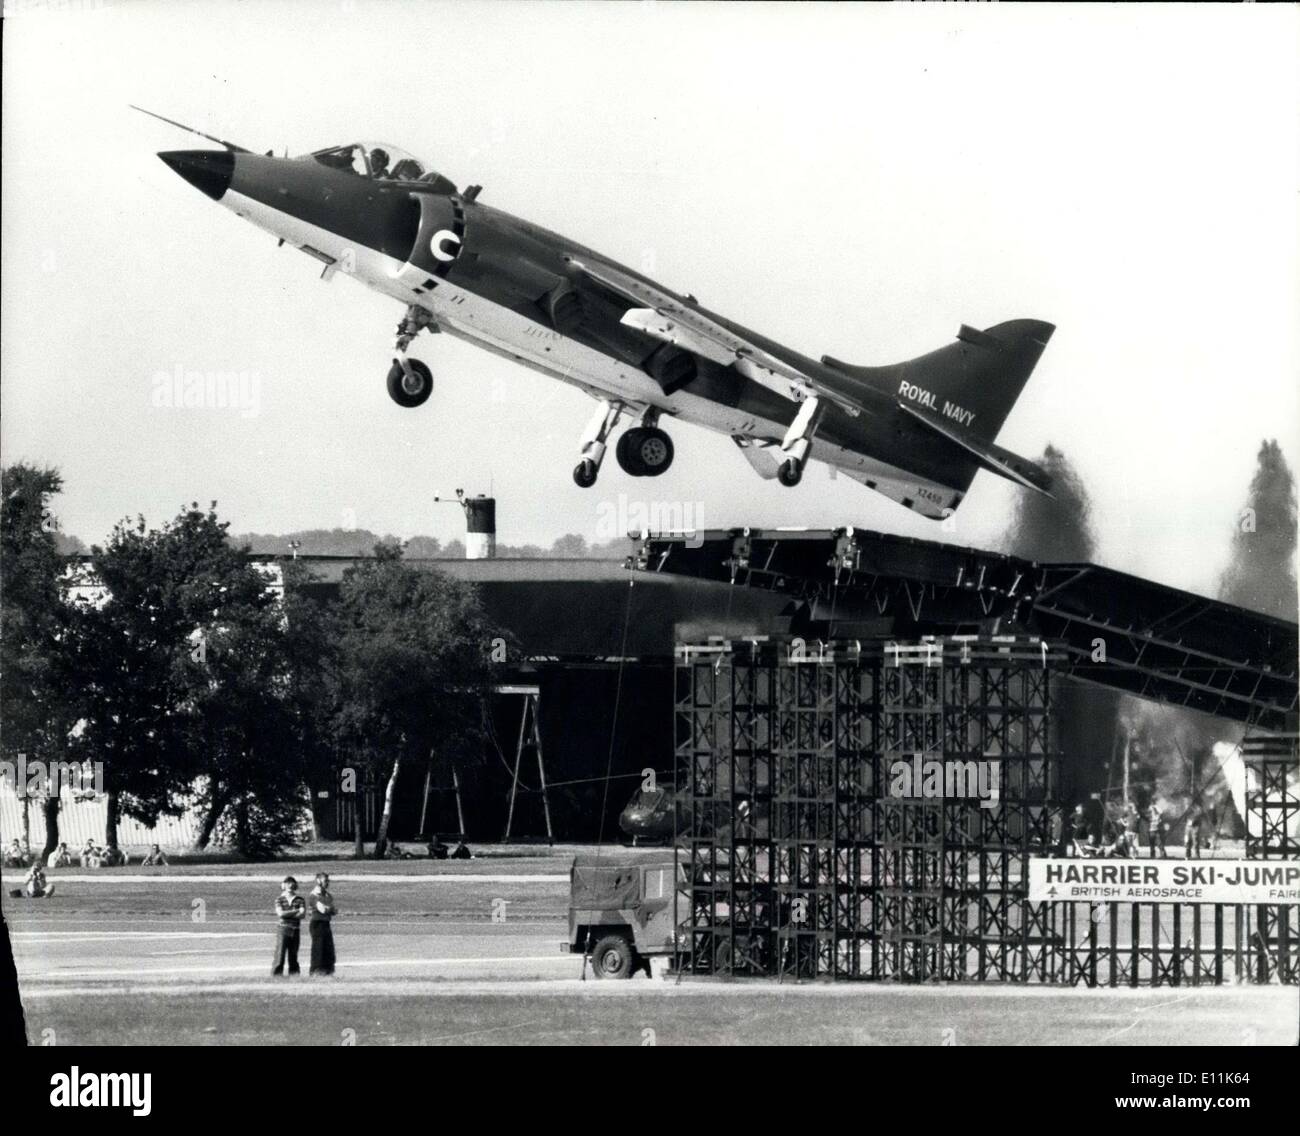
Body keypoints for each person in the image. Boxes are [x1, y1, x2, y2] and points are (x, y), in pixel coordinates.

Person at [272, 876, 306, 976]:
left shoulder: (300, 899)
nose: (290, 885)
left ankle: (294, 975)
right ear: (283, 885)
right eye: (287, 883)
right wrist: (295, 911)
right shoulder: (279, 899)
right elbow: (281, 914)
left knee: (293, 955)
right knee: (280, 954)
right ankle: (277, 975)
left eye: (292, 883)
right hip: (283, 928)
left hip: (295, 929)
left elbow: (302, 915)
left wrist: (288, 913)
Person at [308, 872, 337, 976]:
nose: (327, 883)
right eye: (325, 881)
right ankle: (316, 970)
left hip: (326, 923)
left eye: (328, 881)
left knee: (328, 947)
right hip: (317, 923)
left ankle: (328, 971)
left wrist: (329, 909)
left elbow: (334, 910)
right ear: (318, 881)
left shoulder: (328, 895)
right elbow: (323, 910)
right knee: (318, 947)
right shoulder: (314, 895)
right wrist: (329, 909)